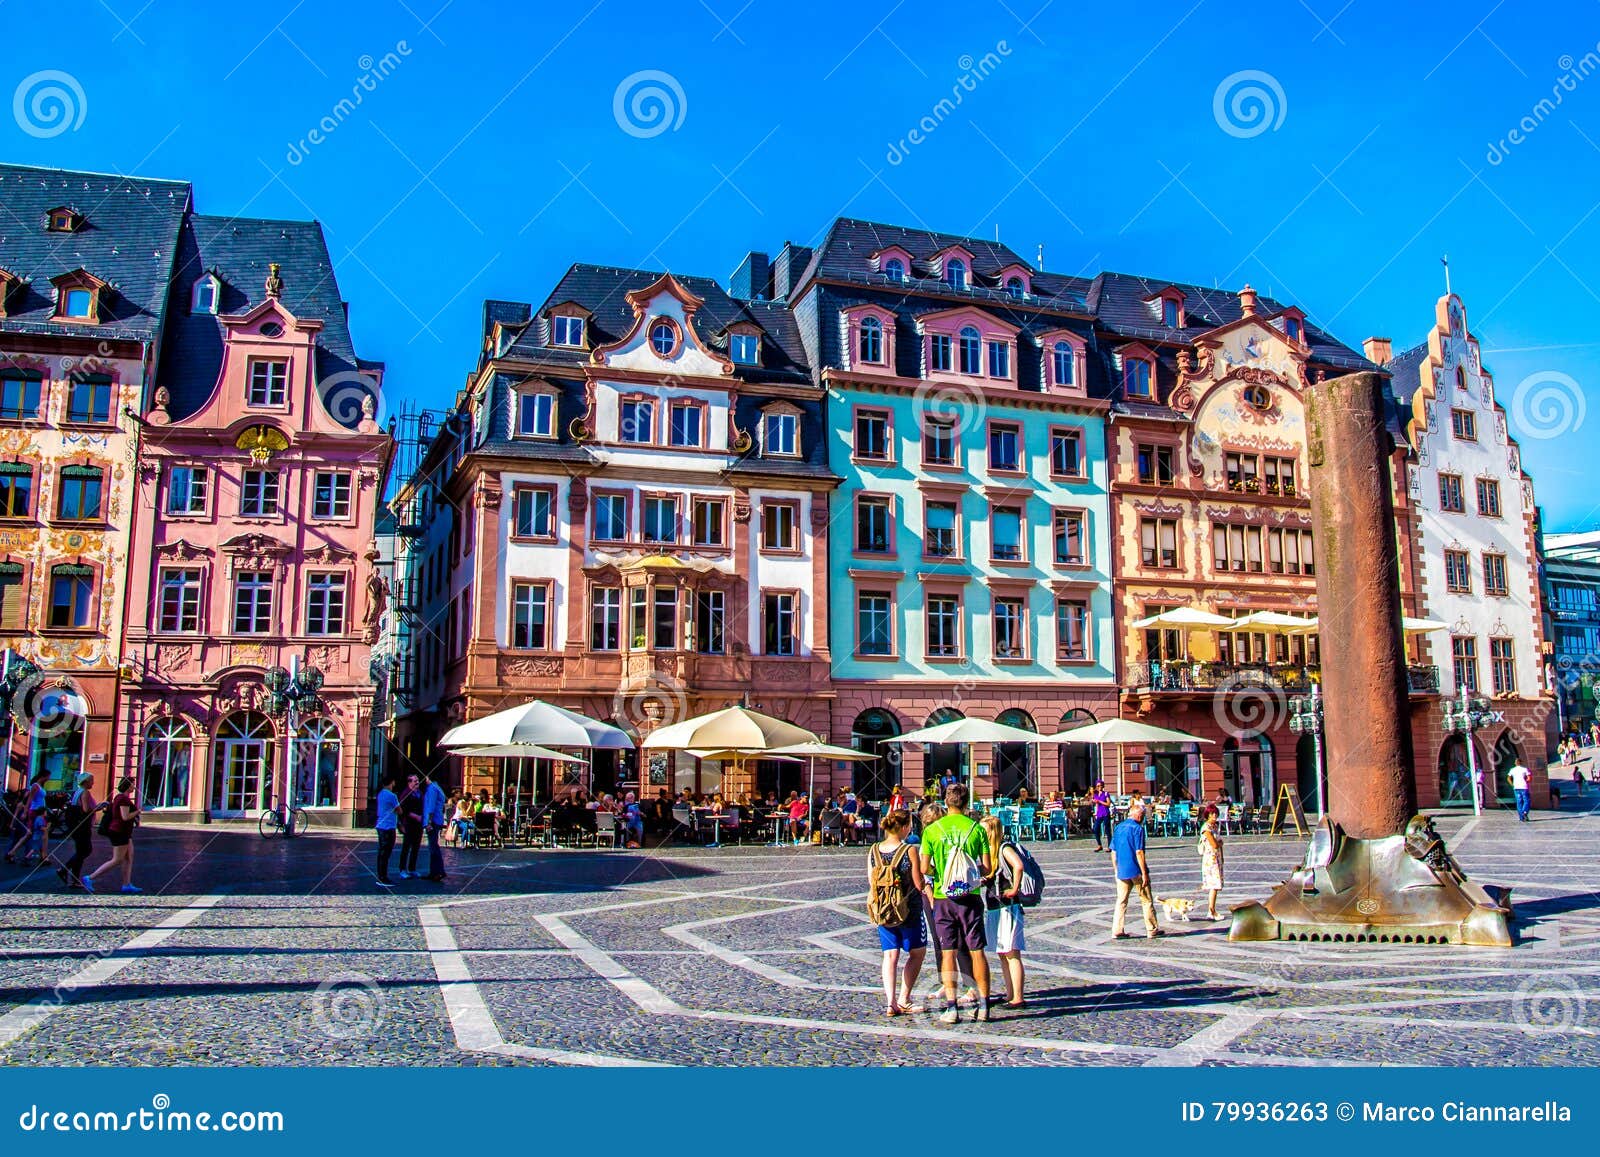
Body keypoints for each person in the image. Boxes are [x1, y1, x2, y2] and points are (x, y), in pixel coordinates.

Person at [916, 784, 993, 1023]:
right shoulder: (976, 829)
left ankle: (951, 1008)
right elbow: (988, 868)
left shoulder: (932, 831)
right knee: (977, 950)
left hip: (942, 896)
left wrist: (941, 871)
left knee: (948, 951)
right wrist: (968, 873)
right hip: (970, 897)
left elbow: (923, 868)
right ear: (966, 802)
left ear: (946, 801)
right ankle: (984, 1006)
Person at [868, 809, 928, 1017]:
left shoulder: (874, 850)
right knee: (917, 952)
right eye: (909, 825)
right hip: (909, 909)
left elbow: (871, 882)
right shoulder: (909, 850)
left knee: (890, 956)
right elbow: (918, 882)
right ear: (903, 828)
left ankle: (890, 1003)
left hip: (884, 910)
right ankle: (905, 998)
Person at [978, 813, 1027, 1009]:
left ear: (991, 831)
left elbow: (1018, 866)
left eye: (983, 830)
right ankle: (1010, 993)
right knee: (1002, 952)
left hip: (1008, 906)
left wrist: (1015, 888)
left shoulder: (1004, 848)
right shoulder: (988, 852)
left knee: (1012, 952)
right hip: (994, 907)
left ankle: (1019, 997)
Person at [1111, 801, 1160, 939]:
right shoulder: (1137, 829)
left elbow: (1113, 851)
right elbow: (1139, 852)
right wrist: (1144, 873)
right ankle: (1151, 929)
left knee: (1121, 901)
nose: (1143, 818)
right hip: (1135, 870)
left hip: (1122, 870)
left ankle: (1117, 930)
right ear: (1139, 816)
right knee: (1146, 899)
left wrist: (1116, 869)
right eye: (1143, 815)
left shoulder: (1118, 827)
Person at [84, 777, 140, 894]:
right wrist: (137, 812)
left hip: (125, 832)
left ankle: (126, 884)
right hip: (120, 831)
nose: (134, 787)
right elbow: (125, 817)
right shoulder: (123, 799)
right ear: (127, 786)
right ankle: (90, 878)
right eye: (132, 785)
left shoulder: (120, 797)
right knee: (117, 859)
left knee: (129, 857)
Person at [58, 773, 101, 890]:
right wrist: (99, 807)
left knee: (80, 852)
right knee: (86, 850)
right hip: (82, 826)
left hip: (75, 825)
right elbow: (86, 809)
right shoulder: (85, 792)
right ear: (86, 781)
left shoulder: (77, 792)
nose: (93, 783)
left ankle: (74, 880)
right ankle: (64, 869)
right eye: (92, 780)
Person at [4, 769, 50, 864]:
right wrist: (25, 812)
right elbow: (30, 799)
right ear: (43, 776)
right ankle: (44, 857)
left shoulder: (40, 786)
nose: (49, 778)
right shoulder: (35, 786)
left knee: (30, 834)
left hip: (40, 811)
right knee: (43, 832)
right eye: (48, 776)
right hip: (35, 812)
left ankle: (12, 852)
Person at [1198, 804, 1225, 920]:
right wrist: (1219, 844)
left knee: (1215, 886)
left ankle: (1212, 910)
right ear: (1207, 815)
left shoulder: (1214, 827)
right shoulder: (1206, 828)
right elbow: (1215, 844)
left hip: (1216, 858)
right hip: (1210, 860)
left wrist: (1222, 857)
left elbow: (1218, 843)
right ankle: (1211, 911)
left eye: (1216, 814)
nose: (1214, 816)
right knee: (1214, 885)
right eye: (1212, 814)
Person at [373, 775, 399, 886]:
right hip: (388, 826)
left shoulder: (380, 794)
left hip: (380, 825)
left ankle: (381, 875)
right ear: (391, 783)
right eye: (393, 783)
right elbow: (400, 810)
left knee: (382, 852)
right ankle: (383, 878)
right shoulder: (392, 796)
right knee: (386, 852)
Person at [397, 773, 424, 879]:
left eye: (417, 780)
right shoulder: (405, 793)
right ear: (409, 782)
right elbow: (402, 809)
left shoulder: (419, 793)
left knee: (416, 847)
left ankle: (412, 869)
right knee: (406, 847)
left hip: (418, 824)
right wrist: (415, 816)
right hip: (409, 823)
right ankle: (402, 869)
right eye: (415, 781)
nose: (417, 782)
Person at [423, 773, 449, 881]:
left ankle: (437, 872)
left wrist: (428, 822)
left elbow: (431, 807)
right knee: (434, 846)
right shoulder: (438, 787)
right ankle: (436, 871)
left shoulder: (432, 789)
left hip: (433, 821)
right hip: (437, 820)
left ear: (427, 778)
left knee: (433, 847)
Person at [1089, 780, 1113, 853]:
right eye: (1098, 786)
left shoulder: (1106, 794)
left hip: (1105, 812)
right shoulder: (1096, 794)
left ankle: (1110, 846)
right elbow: (1096, 804)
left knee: (1107, 830)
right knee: (1096, 828)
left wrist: (1100, 802)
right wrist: (1096, 813)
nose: (1099, 787)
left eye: (1100, 785)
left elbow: (1108, 804)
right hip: (1099, 813)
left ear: (1103, 786)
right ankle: (1099, 845)